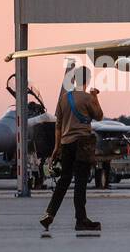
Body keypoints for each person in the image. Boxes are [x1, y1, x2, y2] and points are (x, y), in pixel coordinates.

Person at [40, 67, 102, 232]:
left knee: (63, 181)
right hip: (83, 143)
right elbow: (99, 115)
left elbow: (58, 126)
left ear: (73, 79)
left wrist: (56, 148)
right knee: (80, 182)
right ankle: (80, 220)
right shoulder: (88, 98)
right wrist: (95, 97)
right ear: (87, 80)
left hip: (66, 144)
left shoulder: (63, 99)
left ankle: (49, 214)